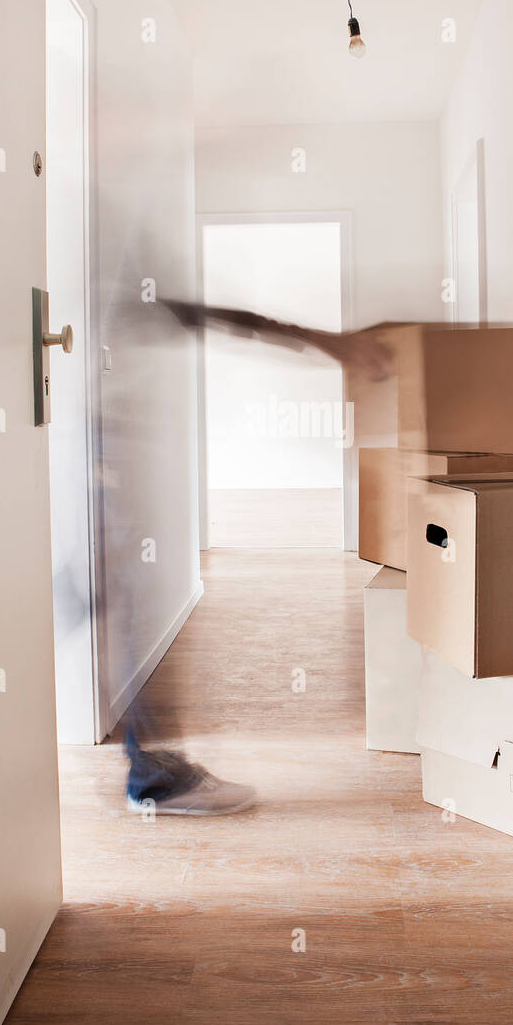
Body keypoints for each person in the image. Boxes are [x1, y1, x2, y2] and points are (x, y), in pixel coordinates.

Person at [122, 299, 396, 816]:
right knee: (115, 606)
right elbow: (194, 312)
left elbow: (192, 312)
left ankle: (154, 771)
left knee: (115, 603)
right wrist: (320, 339)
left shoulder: (128, 278)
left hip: (113, 456)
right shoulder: (108, 281)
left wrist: (318, 339)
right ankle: (152, 780)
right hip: (99, 459)